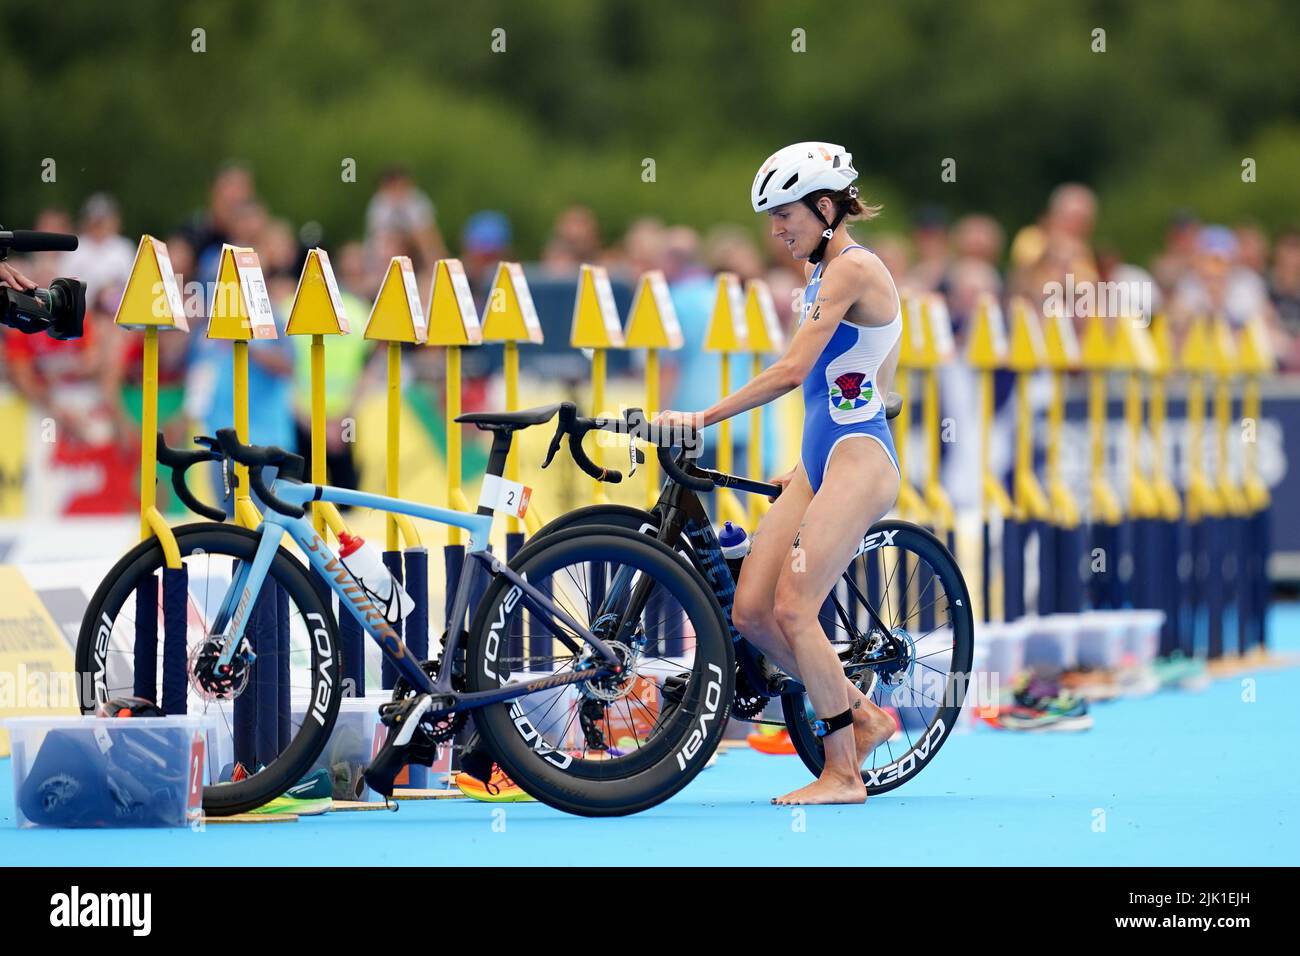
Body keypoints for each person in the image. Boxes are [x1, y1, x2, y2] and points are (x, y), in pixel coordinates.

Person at [653, 142, 901, 805]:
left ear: (824, 208)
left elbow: (795, 373)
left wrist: (701, 418)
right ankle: (865, 715)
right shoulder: (821, 276)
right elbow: (867, 377)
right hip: (820, 458)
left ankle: (843, 772)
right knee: (754, 612)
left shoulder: (853, 268)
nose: (775, 230)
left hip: (857, 458)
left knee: (794, 607)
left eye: (784, 215)